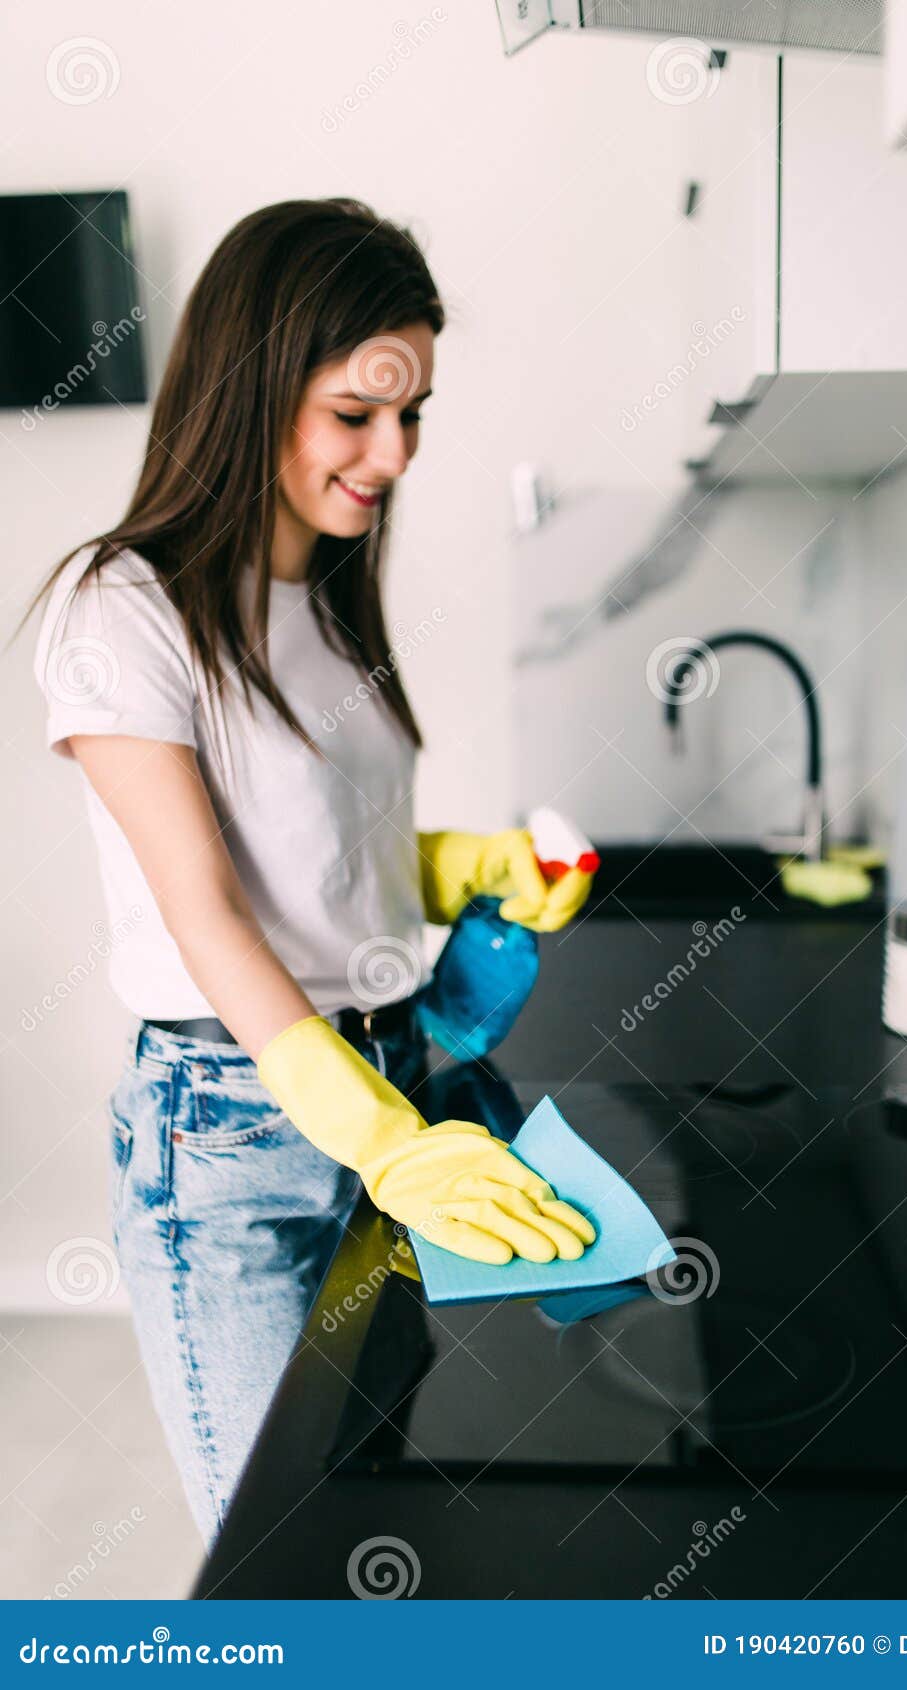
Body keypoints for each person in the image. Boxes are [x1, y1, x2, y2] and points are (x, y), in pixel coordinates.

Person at [27, 198, 597, 1548]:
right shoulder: (120, 610)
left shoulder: (332, 605)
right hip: (237, 1138)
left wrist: (477, 863)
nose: (394, 454)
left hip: (394, 1082)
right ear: (253, 386)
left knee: (380, 1517)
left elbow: (336, 853)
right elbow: (210, 913)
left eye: (414, 416)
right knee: (285, 1554)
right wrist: (385, 1141)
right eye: (357, 413)